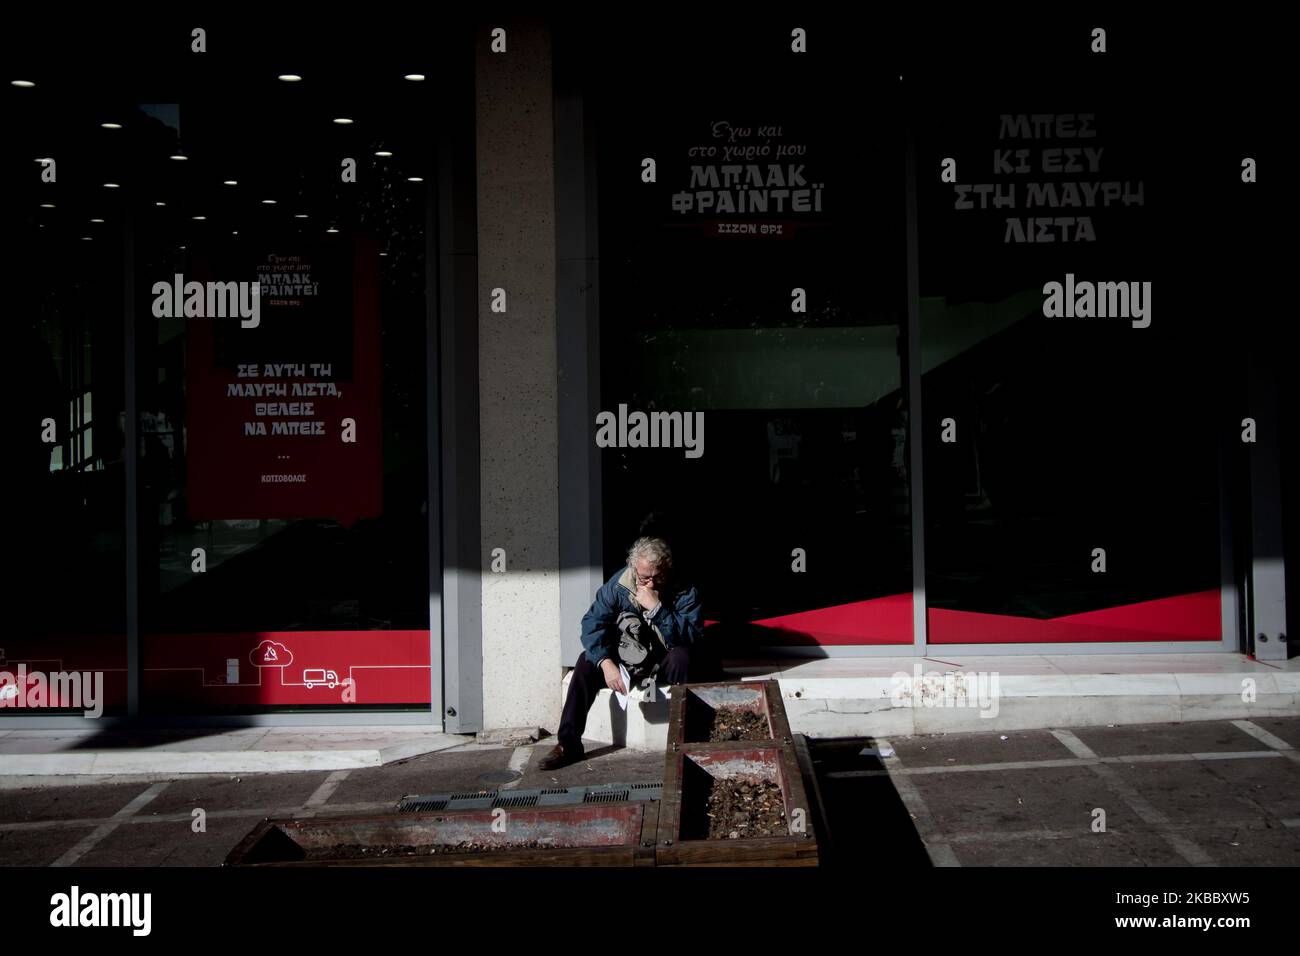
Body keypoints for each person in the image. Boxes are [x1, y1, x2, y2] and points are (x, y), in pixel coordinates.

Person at [538, 535, 704, 771]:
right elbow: (592, 624)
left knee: (683, 658)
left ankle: (688, 740)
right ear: (634, 569)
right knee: (585, 663)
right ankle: (568, 745)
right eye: (645, 577)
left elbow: (691, 636)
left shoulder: (684, 590)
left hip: (663, 659)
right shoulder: (618, 586)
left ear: (668, 570)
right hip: (629, 656)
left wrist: (657, 609)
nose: (650, 584)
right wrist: (606, 663)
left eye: (658, 577)